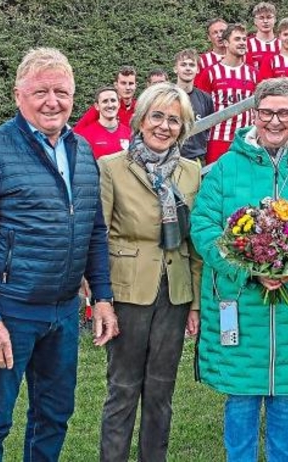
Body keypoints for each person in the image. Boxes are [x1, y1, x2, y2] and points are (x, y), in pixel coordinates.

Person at [0, 47, 119, 460]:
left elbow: (94, 230)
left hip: (62, 312)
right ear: (18, 96)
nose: (52, 101)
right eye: (40, 91)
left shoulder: (82, 151)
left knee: (55, 414)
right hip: (10, 311)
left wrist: (102, 297)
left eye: (61, 91)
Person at [192, 77, 288, 462]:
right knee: (242, 395)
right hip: (240, 302)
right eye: (267, 112)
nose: (275, 121)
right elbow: (203, 226)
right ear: (254, 114)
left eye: (284, 113)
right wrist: (247, 267)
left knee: (287, 394)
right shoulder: (225, 168)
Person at [97, 83, 202, 462]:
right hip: (128, 291)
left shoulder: (192, 172)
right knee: (123, 388)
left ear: (183, 127)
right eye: (157, 116)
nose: (164, 126)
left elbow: (193, 243)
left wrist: (195, 303)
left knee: (161, 391)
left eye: (174, 119)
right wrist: (100, 298)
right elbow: (99, 235)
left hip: (174, 293)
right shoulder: (111, 168)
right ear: (140, 120)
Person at [195, 24, 258, 164]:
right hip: (218, 139)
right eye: (237, 39)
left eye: (244, 39)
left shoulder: (253, 73)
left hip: (246, 138)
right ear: (225, 43)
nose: (242, 42)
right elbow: (200, 106)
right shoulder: (210, 73)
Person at [173, 49, 214, 164]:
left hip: (196, 160)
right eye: (183, 64)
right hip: (170, 157)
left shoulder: (206, 99)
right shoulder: (166, 95)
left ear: (197, 70)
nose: (188, 68)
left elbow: (208, 129)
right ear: (175, 69)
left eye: (192, 65)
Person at [73, 85, 132, 159]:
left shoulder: (129, 134)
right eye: (105, 101)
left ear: (119, 104)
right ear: (97, 106)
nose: (110, 105)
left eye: (113, 100)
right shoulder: (85, 136)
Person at [246, 1, 280, 70]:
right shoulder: (246, 43)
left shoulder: (282, 43)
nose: (265, 21)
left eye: (269, 17)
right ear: (255, 21)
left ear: (275, 19)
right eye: (261, 18)